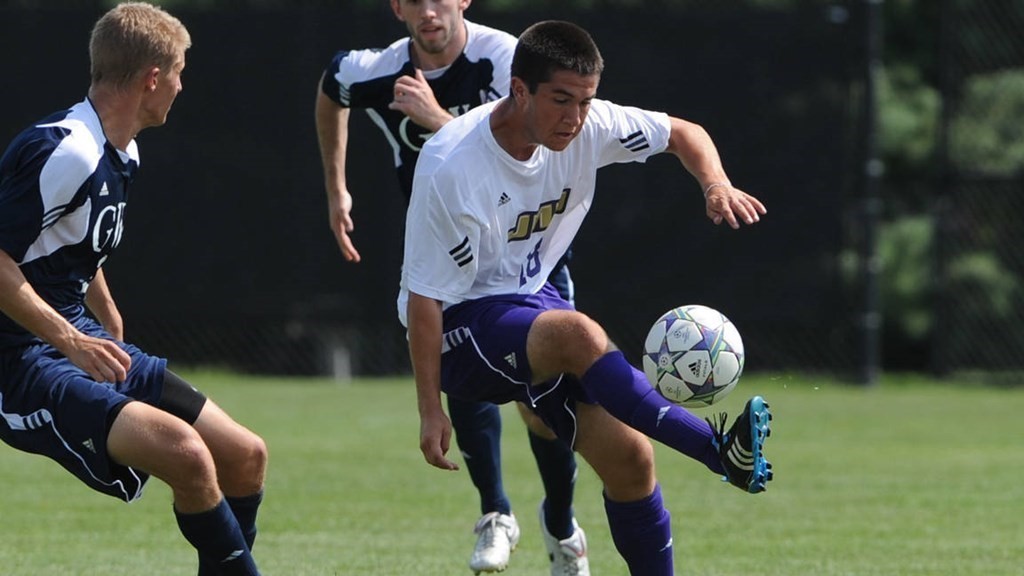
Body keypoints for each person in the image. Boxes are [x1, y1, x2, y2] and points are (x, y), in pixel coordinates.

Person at [401, 20, 774, 575]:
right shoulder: (451, 163)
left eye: (585, 101)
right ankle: (718, 451)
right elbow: (424, 302)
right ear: (519, 89)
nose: (575, 118)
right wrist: (430, 410)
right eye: (560, 100)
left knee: (630, 461)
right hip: (460, 326)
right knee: (576, 333)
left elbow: (684, 132)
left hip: (531, 303)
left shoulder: (590, 125)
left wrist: (714, 183)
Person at [315, 2, 590, 574]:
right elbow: (331, 87)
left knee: (546, 405)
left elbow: (527, 144)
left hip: (526, 250)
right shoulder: (379, 69)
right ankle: (495, 513)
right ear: (397, 6)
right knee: (463, 378)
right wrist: (336, 186)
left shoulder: (505, 59)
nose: (428, 10)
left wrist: (436, 116)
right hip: (453, 257)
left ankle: (561, 525)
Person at [0, 4, 267, 575]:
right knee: (186, 455)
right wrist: (71, 339)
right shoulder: (64, 149)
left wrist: (106, 313)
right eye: (178, 71)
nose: (180, 84)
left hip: (77, 336)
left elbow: (66, 241)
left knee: (245, 457)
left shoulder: (121, 151)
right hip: (19, 357)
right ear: (152, 78)